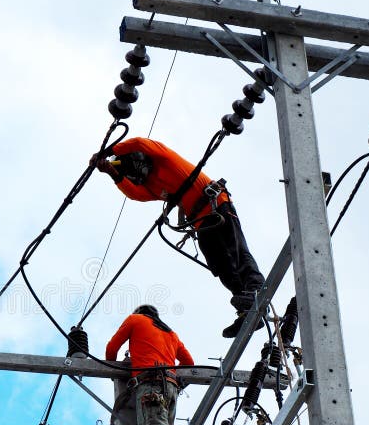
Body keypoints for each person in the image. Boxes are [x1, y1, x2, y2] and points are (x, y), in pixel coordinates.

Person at [92, 137, 265, 338]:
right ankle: (246, 309)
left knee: (236, 252)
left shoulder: (163, 158)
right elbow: (135, 194)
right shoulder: (151, 186)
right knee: (222, 267)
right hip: (202, 222)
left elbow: (139, 142)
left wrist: (108, 151)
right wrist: (111, 172)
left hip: (218, 204)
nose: (139, 173)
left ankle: (256, 291)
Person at [106, 305, 194, 425]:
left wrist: (110, 370)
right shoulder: (171, 333)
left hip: (150, 382)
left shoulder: (135, 320)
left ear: (140, 313)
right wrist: (174, 381)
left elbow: (112, 348)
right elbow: (189, 363)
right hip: (171, 387)